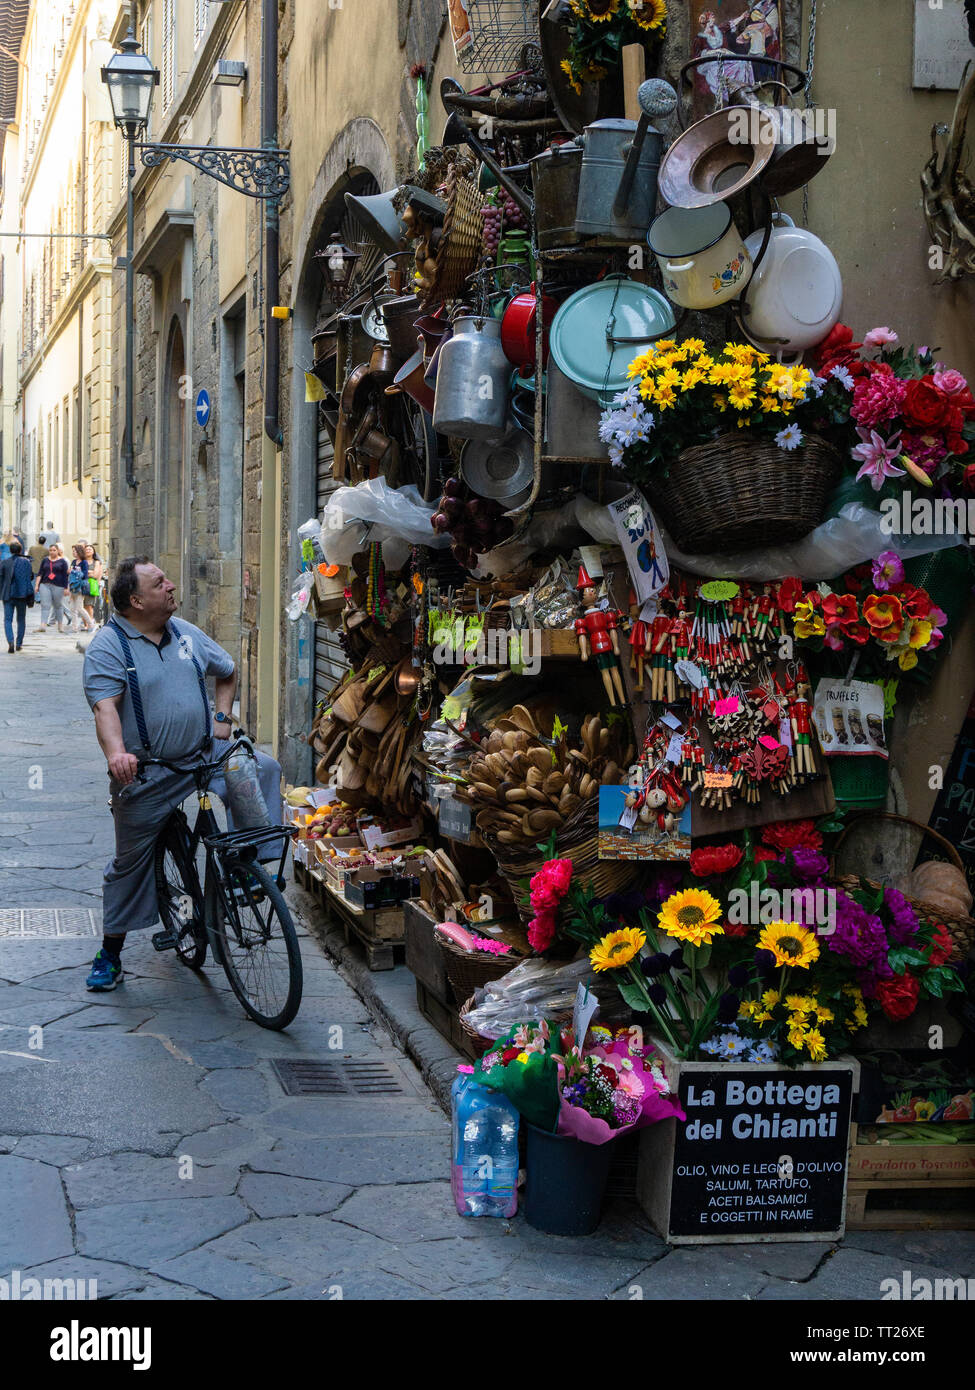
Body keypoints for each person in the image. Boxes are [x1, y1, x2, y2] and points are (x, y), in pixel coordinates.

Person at [81, 556, 283, 991]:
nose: (171, 585)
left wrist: (223, 719)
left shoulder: (186, 633)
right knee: (128, 864)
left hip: (202, 754)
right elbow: (105, 709)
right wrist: (117, 755)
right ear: (136, 600)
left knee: (261, 767)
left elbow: (226, 671)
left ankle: (254, 869)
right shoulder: (109, 645)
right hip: (148, 771)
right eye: (159, 582)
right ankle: (110, 953)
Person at [0, 539, 35, 652]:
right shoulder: (26, 562)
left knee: (7, 620)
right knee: (21, 619)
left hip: (8, 594)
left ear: (10, 551)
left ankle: (10, 641)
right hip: (22, 594)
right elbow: (30, 577)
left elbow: (1, 579)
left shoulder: (4, 562)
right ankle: (19, 643)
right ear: (20, 550)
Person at [35, 541, 70, 632]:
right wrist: (37, 585)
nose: (52, 552)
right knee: (45, 605)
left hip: (58, 585)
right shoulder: (45, 560)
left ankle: (60, 625)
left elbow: (65, 576)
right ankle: (43, 625)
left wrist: (66, 588)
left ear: (58, 551)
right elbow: (40, 573)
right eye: (50, 550)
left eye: (54, 550)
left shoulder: (62, 561)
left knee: (58, 606)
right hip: (45, 584)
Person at [67, 543, 95, 634]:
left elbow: (84, 575)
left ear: (79, 552)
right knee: (72, 608)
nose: (73, 553)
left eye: (75, 551)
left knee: (79, 607)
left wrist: (73, 571)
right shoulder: (73, 562)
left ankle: (91, 624)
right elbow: (70, 575)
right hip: (73, 586)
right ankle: (74, 628)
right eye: (73, 551)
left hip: (81, 587)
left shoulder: (84, 562)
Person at [83, 544, 104, 629]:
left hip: (92, 584)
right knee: (82, 606)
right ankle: (86, 624)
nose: (88, 551)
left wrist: (85, 572)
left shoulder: (96, 562)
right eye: (86, 549)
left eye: (90, 549)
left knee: (89, 605)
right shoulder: (82, 561)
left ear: (93, 552)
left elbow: (95, 575)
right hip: (82, 584)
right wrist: (89, 572)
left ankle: (90, 624)